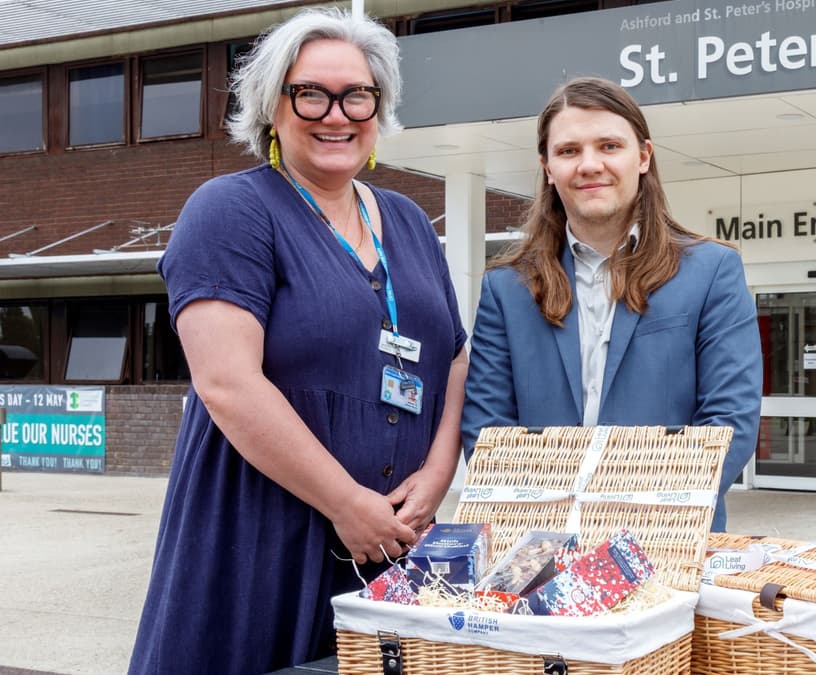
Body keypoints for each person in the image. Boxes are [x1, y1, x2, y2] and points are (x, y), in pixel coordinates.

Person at [128, 8, 467, 674]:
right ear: (271, 106)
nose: (336, 114)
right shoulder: (231, 210)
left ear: (379, 107)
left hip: (392, 540)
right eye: (311, 93)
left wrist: (436, 475)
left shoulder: (407, 220)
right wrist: (345, 503)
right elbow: (227, 382)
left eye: (357, 94)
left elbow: (451, 356)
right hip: (262, 536)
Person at [460, 77, 761, 531]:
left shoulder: (712, 270)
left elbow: (729, 422)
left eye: (608, 146)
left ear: (642, 156)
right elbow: (487, 433)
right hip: (537, 543)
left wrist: (631, 515)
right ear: (547, 167)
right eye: (568, 151)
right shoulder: (507, 288)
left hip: (668, 539)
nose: (589, 165)